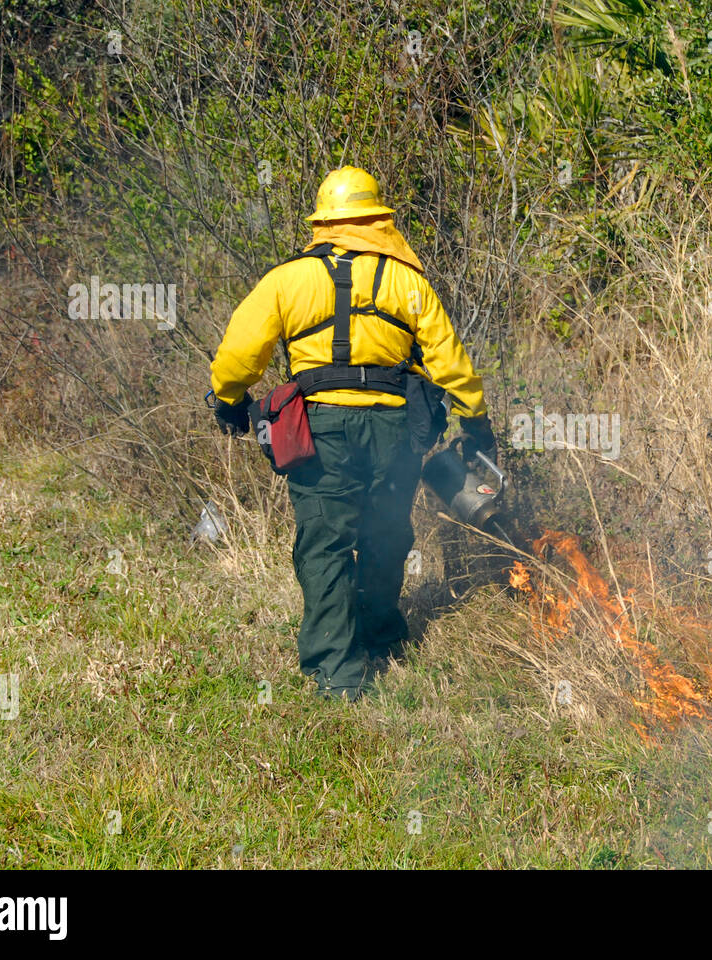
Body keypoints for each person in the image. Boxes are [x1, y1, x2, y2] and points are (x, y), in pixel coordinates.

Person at [209, 166, 496, 700]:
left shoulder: (287, 279)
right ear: (378, 219)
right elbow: (450, 362)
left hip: (319, 430)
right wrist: (475, 421)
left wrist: (230, 401)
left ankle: (336, 672)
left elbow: (238, 355)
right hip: (396, 428)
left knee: (325, 543)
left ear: (324, 222)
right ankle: (382, 640)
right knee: (386, 534)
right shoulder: (408, 282)